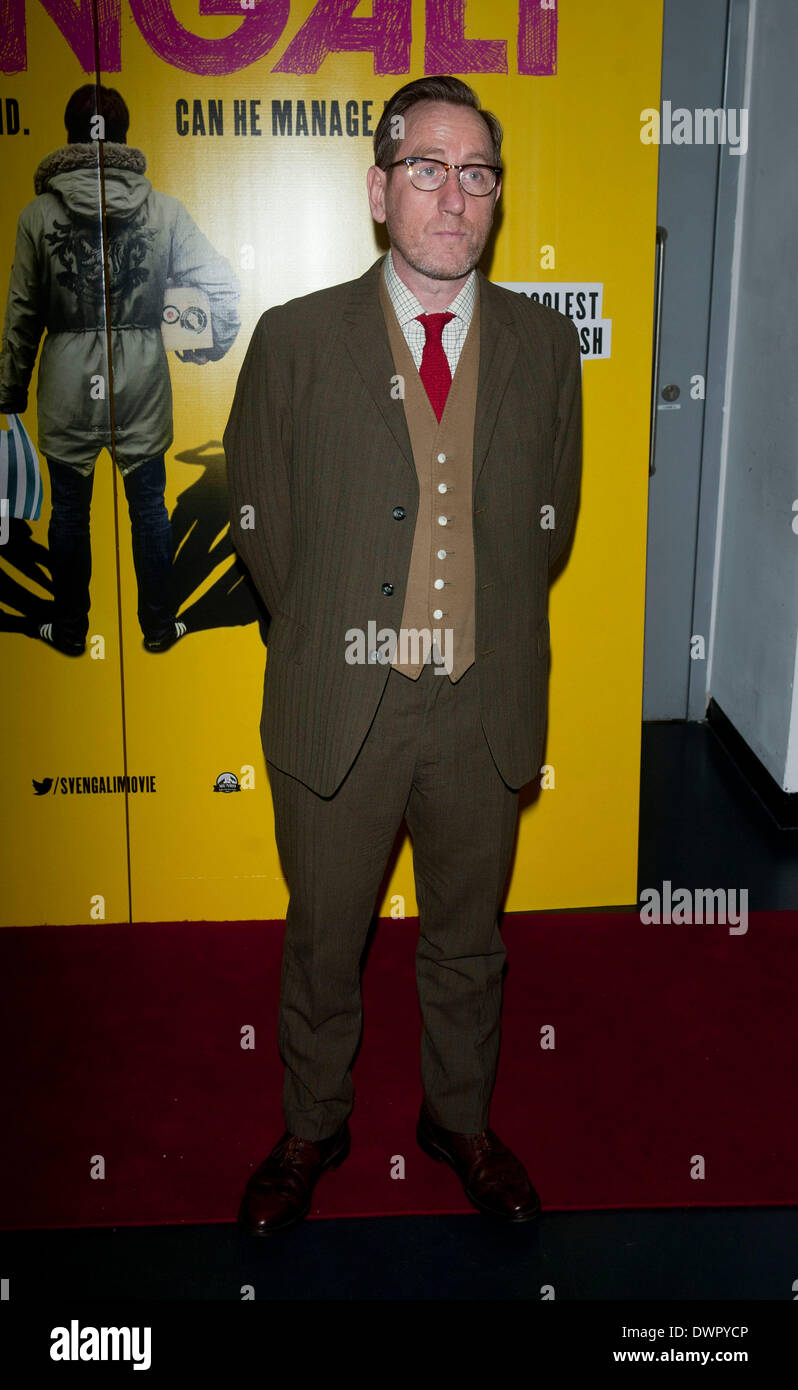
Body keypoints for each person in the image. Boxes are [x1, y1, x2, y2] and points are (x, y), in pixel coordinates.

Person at [223, 75, 582, 1235]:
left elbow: (550, 526)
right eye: (426, 168)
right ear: (379, 191)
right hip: (344, 702)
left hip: (484, 703)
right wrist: (338, 633)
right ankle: (313, 1126)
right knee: (325, 939)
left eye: (476, 173)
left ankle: (457, 1120)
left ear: (495, 197)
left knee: (469, 942)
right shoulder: (294, 340)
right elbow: (262, 524)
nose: (453, 195)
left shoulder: (546, 345)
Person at [0, 85, 241, 655]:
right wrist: (206, 343)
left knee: (69, 513)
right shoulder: (164, 211)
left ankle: (70, 631)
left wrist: (10, 389)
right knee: (149, 508)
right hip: (141, 380)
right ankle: (157, 628)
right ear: (124, 135)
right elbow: (220, 285)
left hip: (67, 384)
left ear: (70, 134)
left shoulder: (37, 216)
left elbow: (23, 312)